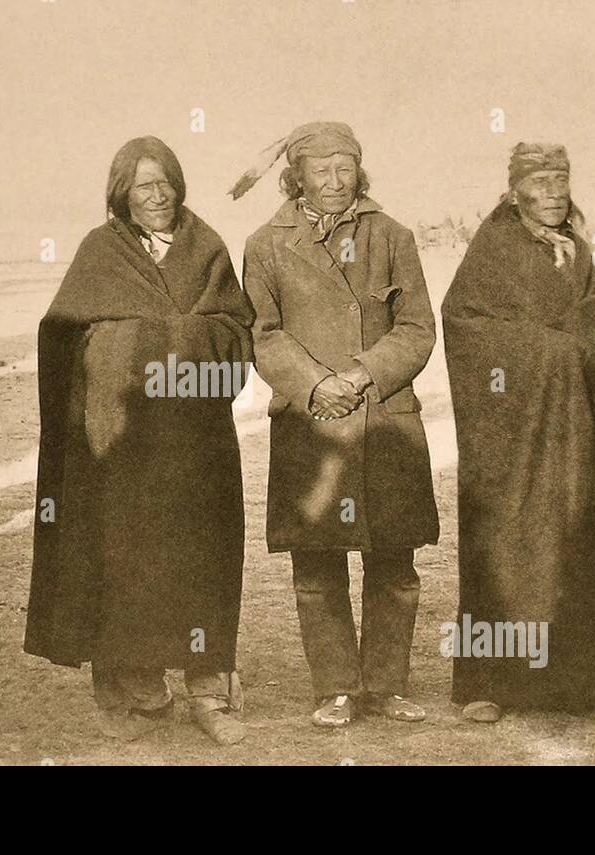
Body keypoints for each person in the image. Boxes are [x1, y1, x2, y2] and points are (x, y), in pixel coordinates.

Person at [25, 136, 253, 745]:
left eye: (166, 182)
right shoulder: (100, 252)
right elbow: (65, 334)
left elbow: (235, 330)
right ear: (121, 195)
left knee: (203, 556)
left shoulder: (207, 248)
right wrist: (155, 343)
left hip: (196, 443)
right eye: (143, 186)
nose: (158, 196)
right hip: (121, 445)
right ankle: (141, 690)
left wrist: (159, 342)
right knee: (128, 563)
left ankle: (210, 693)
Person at [234, 122, 440, 728]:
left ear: (360, 170)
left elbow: (418, 327)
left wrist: (360, 376)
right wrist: (315, 385)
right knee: (317, 564)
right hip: (310, 421)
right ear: (295, 176)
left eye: (344, 168)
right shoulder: (265, 245)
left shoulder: (393, 235)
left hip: (384, 416)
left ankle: (386, 685)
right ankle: (335, 687)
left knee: (394, 562)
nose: (333, 181)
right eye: (318, 170)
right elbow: (262, 334)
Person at [441, 143, 595, 722]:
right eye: (541, 181)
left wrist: (583, 358)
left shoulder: (575, 250)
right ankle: (488, 683)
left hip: (572, 421)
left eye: (562, 179)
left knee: (579, 539)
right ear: (515, 190)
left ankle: (572, 678)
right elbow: (465, 323)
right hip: (511, 431)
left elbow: (593, 322)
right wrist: (551, 351)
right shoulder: (495, 246)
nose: (554, 191)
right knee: (506, 548)